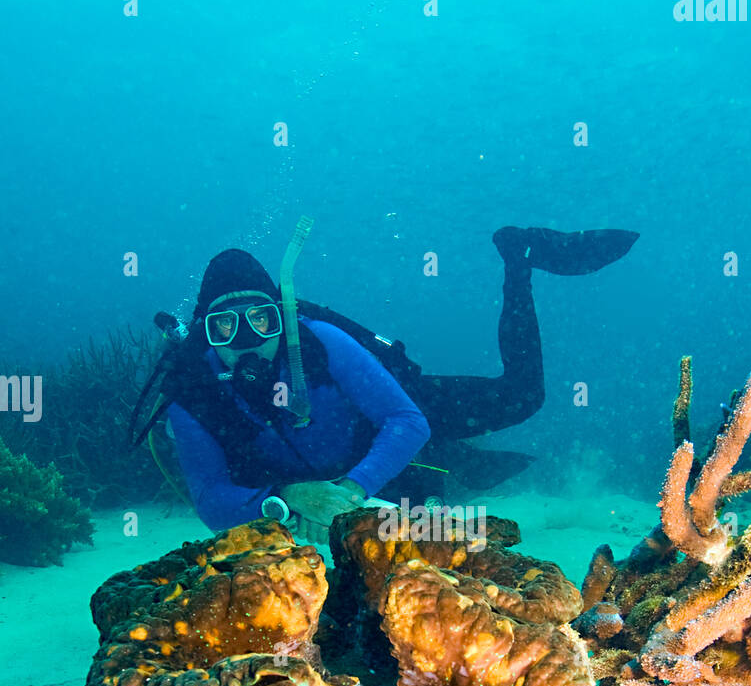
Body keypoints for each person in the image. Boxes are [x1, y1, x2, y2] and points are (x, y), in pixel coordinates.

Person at [134, 224, 637, 542]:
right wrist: (285, 497)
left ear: (283, 318)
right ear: (204, 333)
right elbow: (209, 498)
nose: (246, 340)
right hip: (317, 488)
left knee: (523, 397)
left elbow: (404, 420)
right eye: (224, 326)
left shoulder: (322, 342)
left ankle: (518, 257)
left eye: (262, 320)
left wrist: (351, 491)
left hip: (390, 422)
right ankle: (456, 464)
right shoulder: (194, 395)